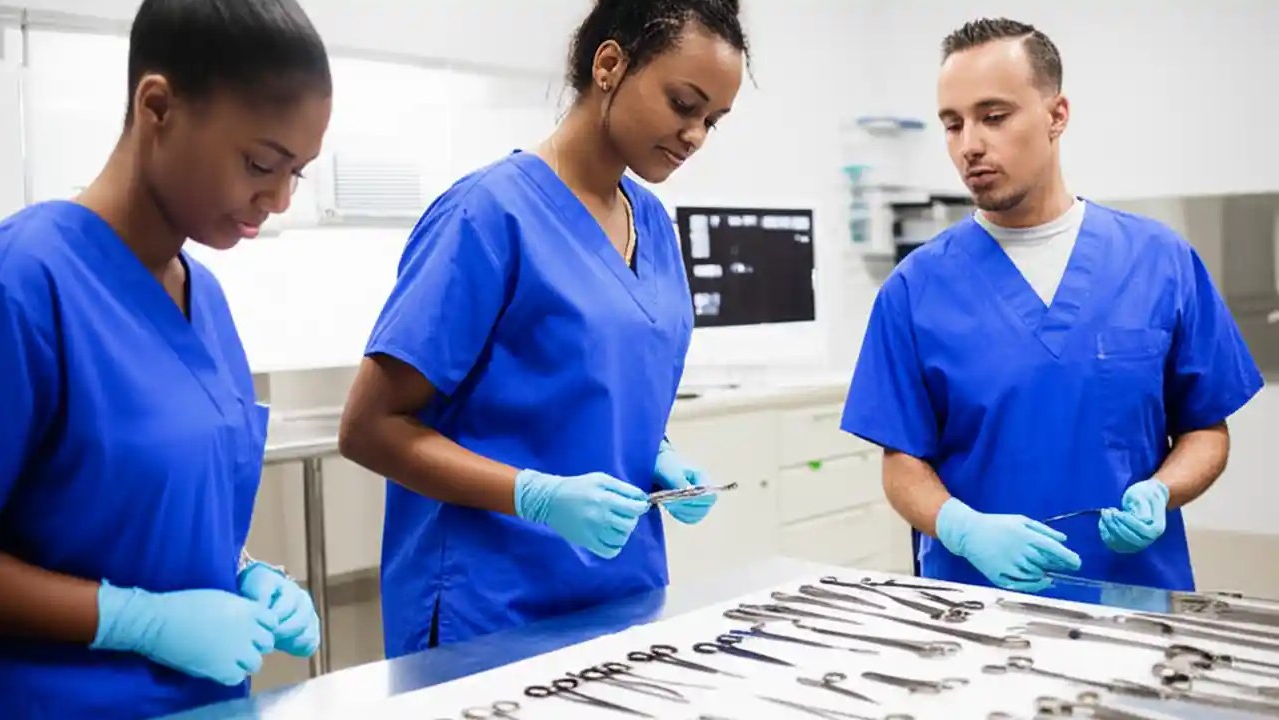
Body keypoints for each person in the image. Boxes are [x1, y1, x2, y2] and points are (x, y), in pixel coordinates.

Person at [338, 0, 748, 655]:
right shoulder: (487, 215)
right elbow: (368, 429)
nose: (695, 134)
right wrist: (535, 496)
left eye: (712, 121)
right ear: (609, 64)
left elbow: (598, 380)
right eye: (682, 103)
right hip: (492, 606)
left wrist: (658, 454)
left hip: (622, 595)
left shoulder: (655, 227)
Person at [841, 18, 1262, 594]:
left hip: (1132, 596)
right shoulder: (914, 289)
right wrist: (964, 530)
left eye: (993, 117)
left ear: (1056, 115)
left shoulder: (1160, 261)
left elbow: (1206, 430)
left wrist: (1163, 491)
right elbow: (902, 464)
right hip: (975, 607)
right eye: (952, 124)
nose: (970, 144)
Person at [0, 1, 332, 716]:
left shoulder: (203, 296)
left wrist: (244, 576)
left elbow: (137, 517)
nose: (275, 199)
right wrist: (136, 621)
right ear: (158, 106)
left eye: (296, 173)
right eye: (260, 163)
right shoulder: (27, 282)